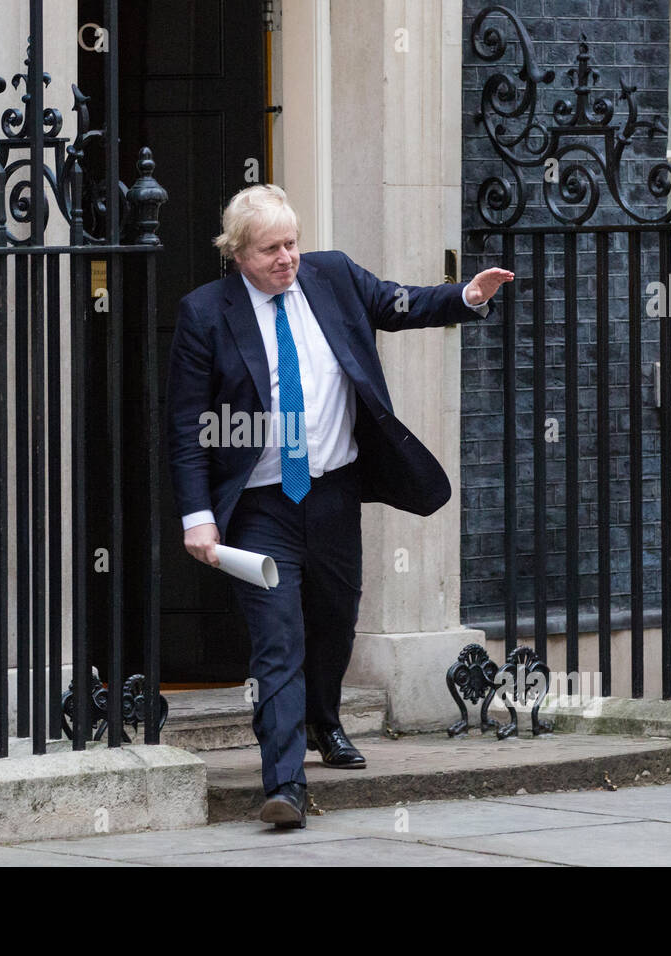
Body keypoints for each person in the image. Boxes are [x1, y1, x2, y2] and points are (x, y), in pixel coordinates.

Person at [165, 184, 513, 828]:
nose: (287, 258)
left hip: (332, 491)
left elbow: (398, 303)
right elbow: (187, 426)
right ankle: (285, 784)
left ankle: (323, 718)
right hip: (260, 504)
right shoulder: (206, 314)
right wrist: (198, 516)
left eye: (292, 243)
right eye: (271, 249)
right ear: (237, 254)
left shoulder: (333, 276)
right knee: (279, 637)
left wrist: (467, 296)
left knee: (334, 619)